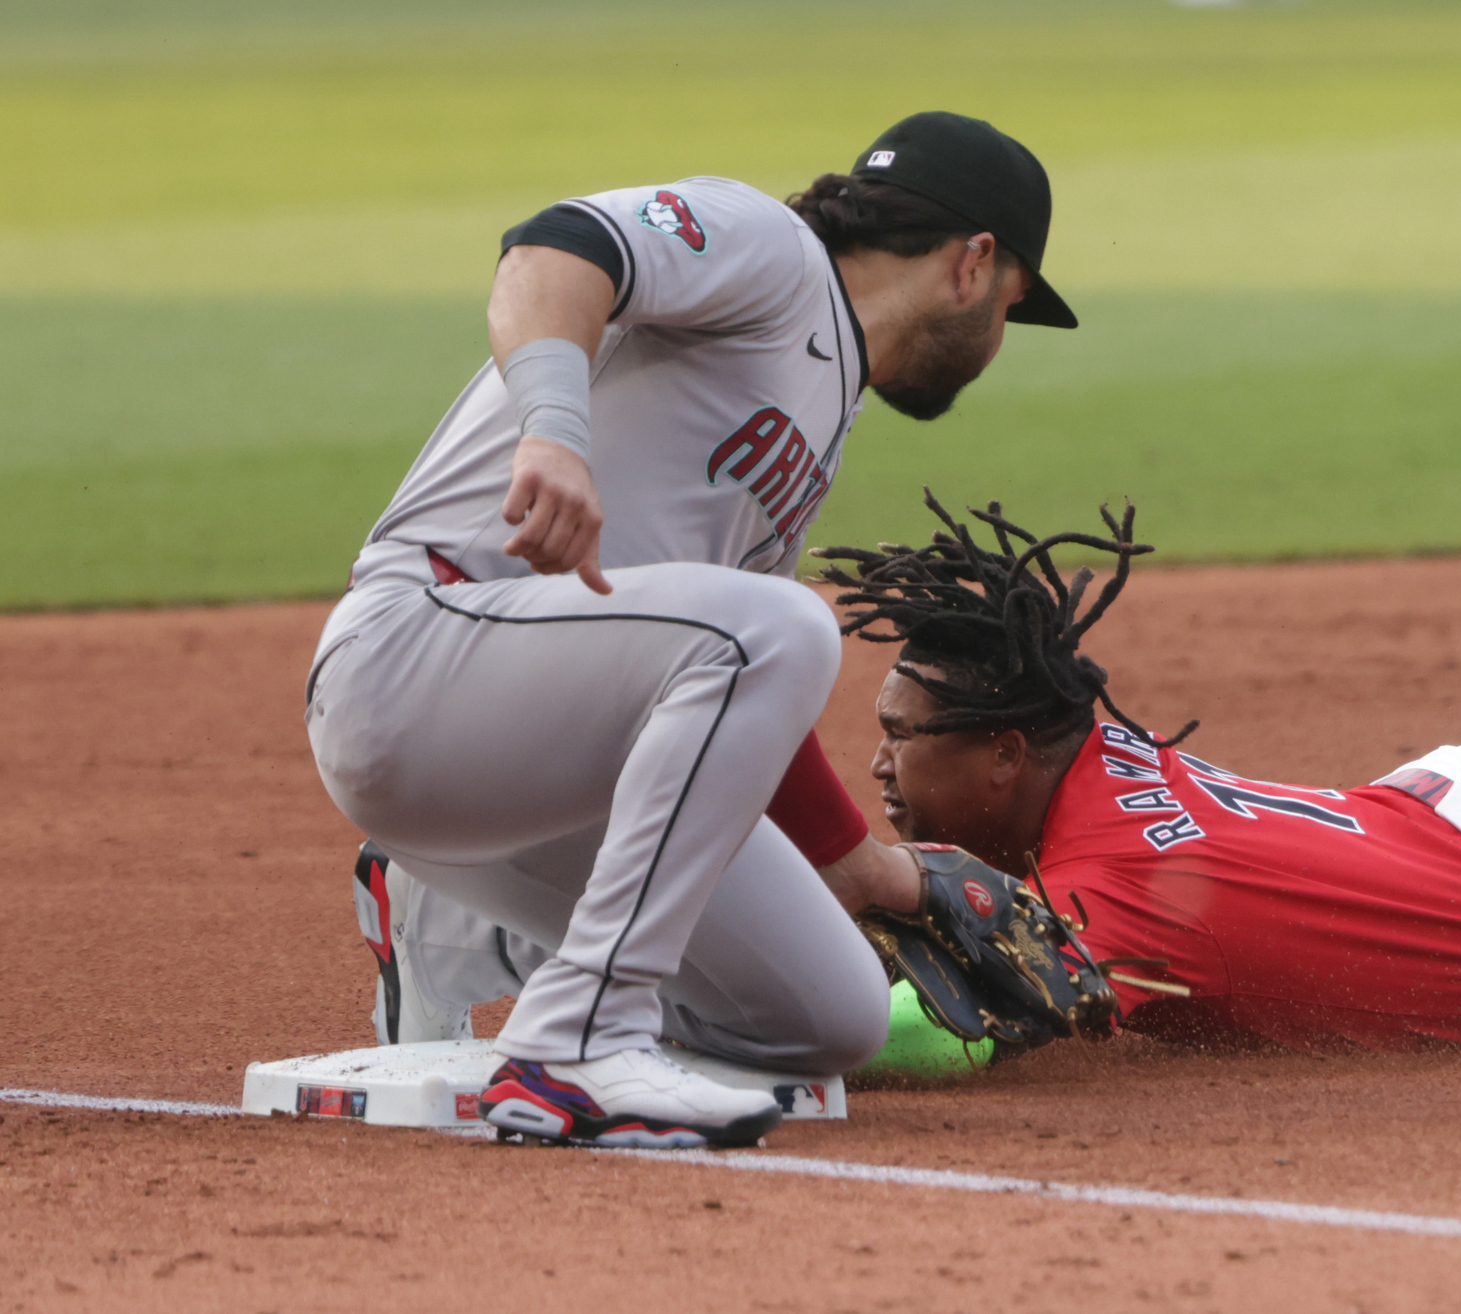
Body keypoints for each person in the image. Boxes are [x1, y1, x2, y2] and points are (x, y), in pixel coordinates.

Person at [309, 112, 1079, 1148]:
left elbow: (729, 700)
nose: (997, 341)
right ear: (973, 264)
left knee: (828, 1016)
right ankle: (576, 1042)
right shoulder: (772, 250)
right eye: (1012, 307)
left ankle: (468, 938)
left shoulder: (824, 402)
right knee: (782, 627)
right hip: (416, 664)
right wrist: (553, 432)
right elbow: (552, 248)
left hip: (540, 767)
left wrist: (874, 873)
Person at [816, 495, 1461, 1054]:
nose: (879, 762)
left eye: (902, 735)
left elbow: (933, 1031)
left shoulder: (1121, 881)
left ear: (1006, 754)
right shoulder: (1096, 757)